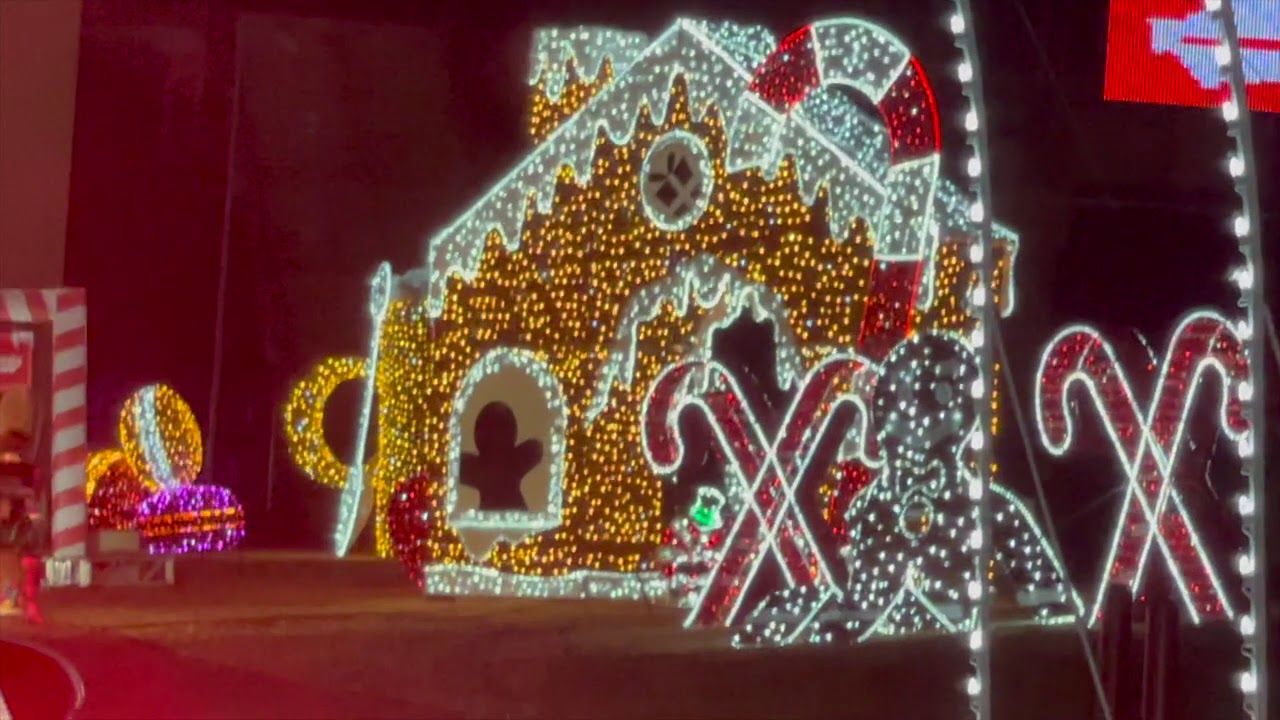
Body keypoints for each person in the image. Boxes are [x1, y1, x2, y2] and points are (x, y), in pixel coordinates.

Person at [0, 494, 42, 624]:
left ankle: (31, 613)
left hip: (27, 558)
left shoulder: (20, 523)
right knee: (24, 588)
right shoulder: (19, 522)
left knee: (26, 588)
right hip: (26, 558)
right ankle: (30, 613)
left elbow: (20, 541)